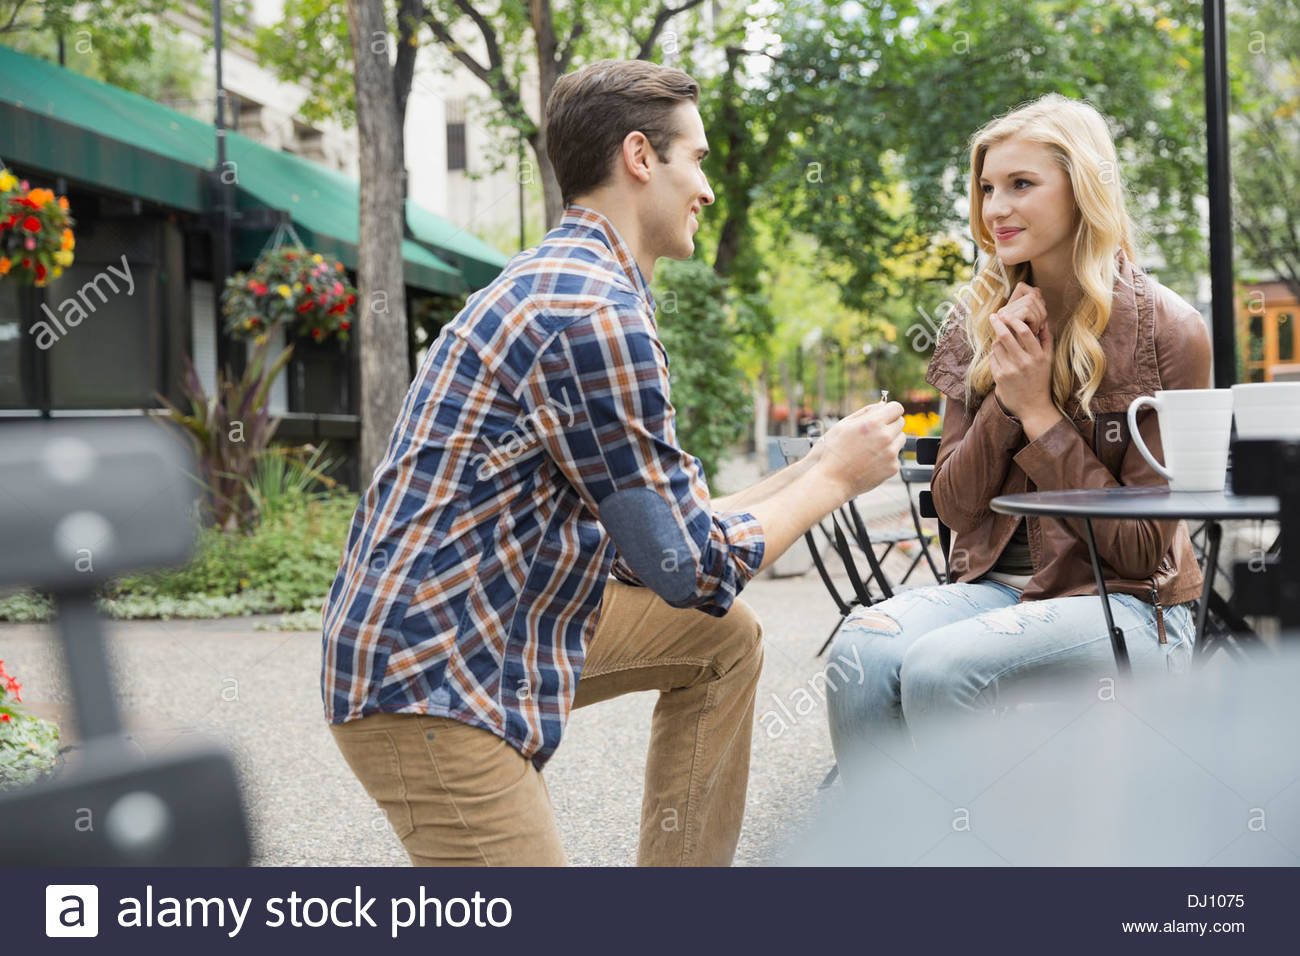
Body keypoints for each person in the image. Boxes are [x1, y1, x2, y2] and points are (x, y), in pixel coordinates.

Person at [322, 59, 906, 866]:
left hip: (472, 624)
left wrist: (817, 464)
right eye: (695, 160)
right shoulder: (596, 315)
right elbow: (688, 567)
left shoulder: (573, 283)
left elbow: (675, 534)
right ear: (640, 158)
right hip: (433, 674)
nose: (706, 188)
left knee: (721, 642)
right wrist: (838, 479)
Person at [824, 94, 1212, 780]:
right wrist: (1006, 397)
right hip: (998, 589)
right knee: (865, 648)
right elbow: (955, 507)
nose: (994, 209)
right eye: (986, 189)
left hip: (1126, 604)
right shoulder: (977, 322)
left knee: (944, 666)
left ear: (1083, 190)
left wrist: (1038, 412)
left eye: (1021, 185)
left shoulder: (1167, 332)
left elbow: (1139, 548)